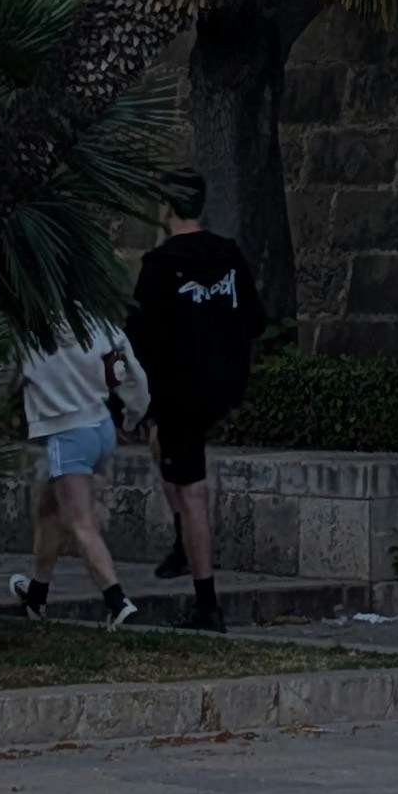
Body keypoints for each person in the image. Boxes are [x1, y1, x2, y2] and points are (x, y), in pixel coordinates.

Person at [127, 199, 263, 630]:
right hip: (220, 383)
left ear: (165, 207)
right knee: (158, 445)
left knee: (192, 494)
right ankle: (184, 541)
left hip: (182, 390)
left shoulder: (160, 265)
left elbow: (139, 337)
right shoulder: (229, 254)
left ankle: (207, 605)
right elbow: (254, 319)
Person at [10, 306, 143, 620]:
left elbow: (0, 380)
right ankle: (36, 596)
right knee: (48, 510)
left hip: (66, 436)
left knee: (80, 522)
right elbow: (133, 374)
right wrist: (133, 416)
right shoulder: (100, 324)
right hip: (101, 429)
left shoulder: (29, 332)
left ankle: (118, 601)